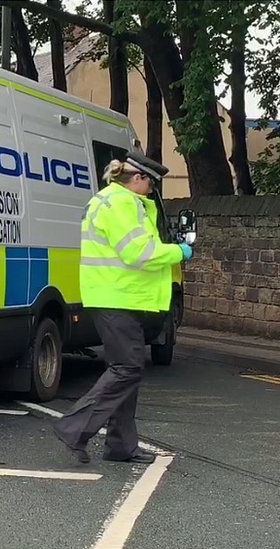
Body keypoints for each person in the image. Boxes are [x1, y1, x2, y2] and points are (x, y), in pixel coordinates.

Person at [53, 152, 192, 465]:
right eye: (151, 184)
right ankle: (74, 428)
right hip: (117, 297)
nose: (151, 190)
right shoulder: (122, 203)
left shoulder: (109, 199)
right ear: (138, 178)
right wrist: (178, 251)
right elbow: (138, 253)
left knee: (126, 370)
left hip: (118, 296)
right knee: (127, 368)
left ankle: (120, 446)